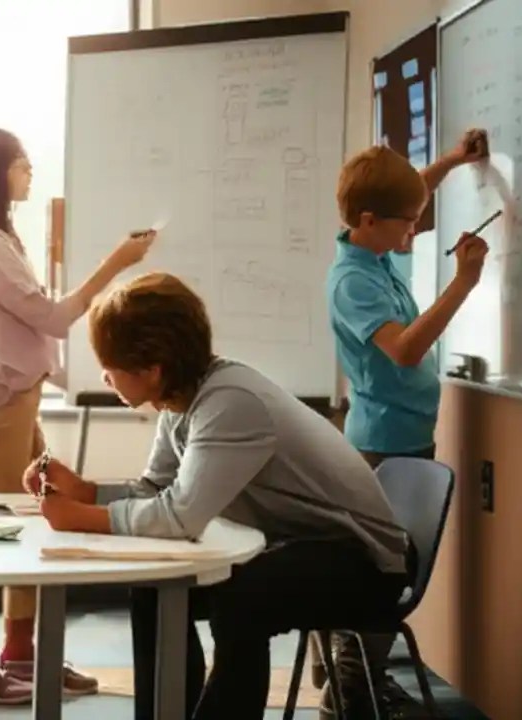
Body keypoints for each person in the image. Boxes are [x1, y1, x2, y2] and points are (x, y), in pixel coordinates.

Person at [30, 272, 413, 720]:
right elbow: (154, 491)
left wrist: (81, 517)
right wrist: (85, 492)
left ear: (152, 370)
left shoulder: (230, 403)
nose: (104, 376)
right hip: (305, 546)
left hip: (365, 562)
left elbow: (179, 518)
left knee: (243, 598)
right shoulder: (183, 398)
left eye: (109, 364)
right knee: (155, 589)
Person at [0, 126, 156, 702]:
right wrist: (118, 262)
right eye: (21, 164)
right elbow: (54, 319)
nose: (30, 172)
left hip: (12, 395)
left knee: (31, 517)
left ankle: (20, 656)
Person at [324, 129, 489, 717]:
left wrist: (451, 161)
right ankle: (349, 693)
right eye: (408, 223)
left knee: (391, 564)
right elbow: (405, 350)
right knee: (384, 571)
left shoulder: (373, 248)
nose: (415, 232)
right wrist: (463, 283)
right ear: (369, 221)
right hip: (382, 447)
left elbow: (409, 192)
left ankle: (358, 679)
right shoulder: (353, 280)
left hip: (403, 440)